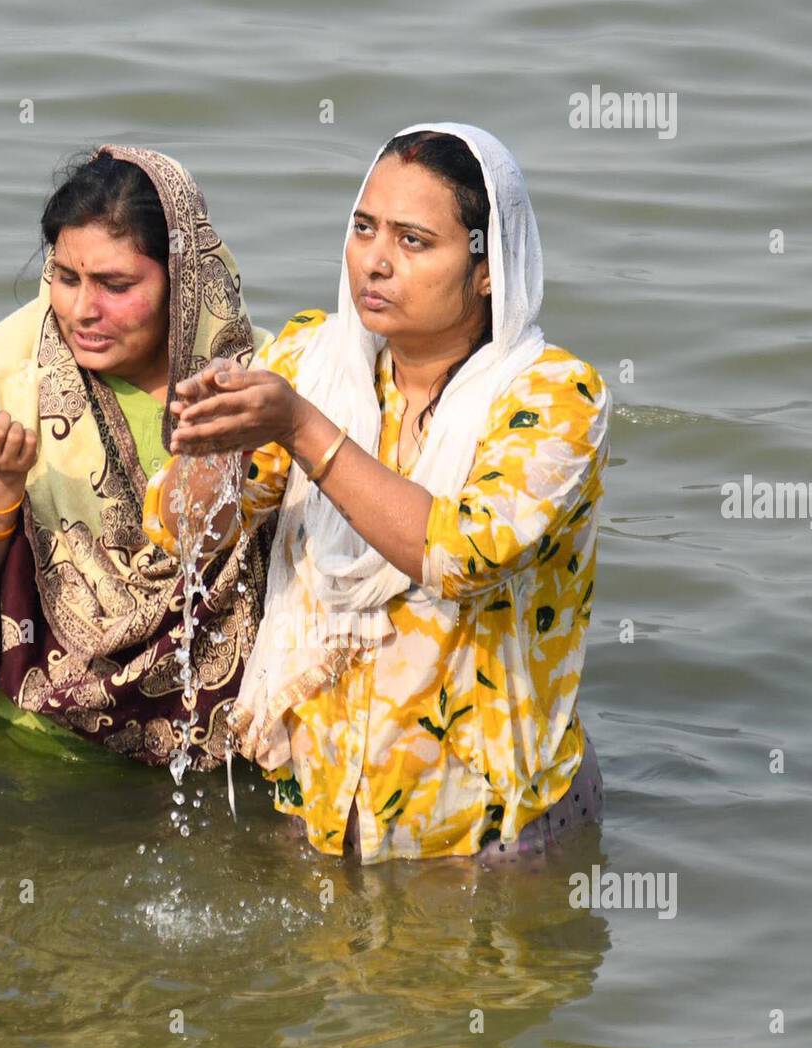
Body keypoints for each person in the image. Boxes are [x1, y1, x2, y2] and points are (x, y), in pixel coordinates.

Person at [143, 123, 612, 861]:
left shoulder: (556, 398)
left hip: (484, 826)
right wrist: (213, 445)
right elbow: (180, 529)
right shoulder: (310, 359)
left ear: (488, 269)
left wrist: (300, 428)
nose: (377, 261)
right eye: (365, 229)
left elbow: (462, 553)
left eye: (414, 241)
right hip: (319, 808)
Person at [0, 145, 273, 766]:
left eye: (116, 285)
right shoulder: (3, 376)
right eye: (66, 278)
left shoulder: (265, 383)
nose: (83, 310)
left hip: (228, 746)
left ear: (184, 277)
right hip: (28, 746)